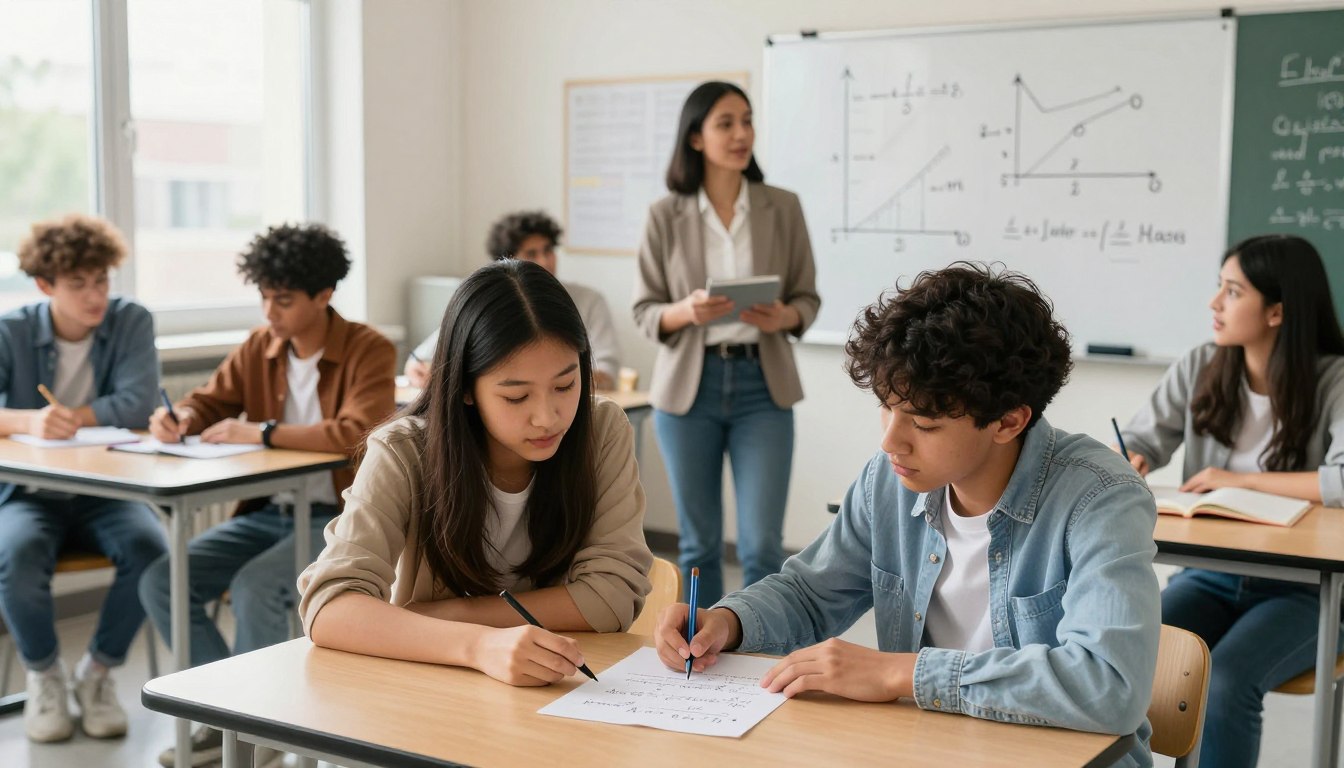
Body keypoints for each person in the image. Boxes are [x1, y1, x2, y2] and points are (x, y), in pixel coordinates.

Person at [656, 263, 1160, 768]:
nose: (890, 441)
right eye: (885, 407)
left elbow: (1108, 686)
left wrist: (902, 673)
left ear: (1008, 421)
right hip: (926, 749)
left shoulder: (1101, 496)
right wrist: (726, 621)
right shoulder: (889, 480)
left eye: (923, 423)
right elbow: (811, 593)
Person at [299, 259, 652, 686]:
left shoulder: (600, 430)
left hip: (561, 685)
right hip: (437, 687)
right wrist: (480, 645)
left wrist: (452, 613)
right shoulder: (403, 451)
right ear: (465, 388)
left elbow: (612, 599)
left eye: (565, 385)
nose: (548, 417)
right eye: (516, 396)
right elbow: (331, 607)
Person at [139, 223, 395, 767]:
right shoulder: (262, 345)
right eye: (263, 297)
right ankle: (223, 714)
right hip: (270, 514)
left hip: (339, 520)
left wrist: (262, 432)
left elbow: (359, 430)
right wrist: (179, 416)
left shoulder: (367, 348)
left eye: (282, 299)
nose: (269, 311)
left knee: (255, 585)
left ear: (324, 296)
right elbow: (210, 400)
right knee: (162, 580)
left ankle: (262, 726)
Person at [1119, 234, 1344, 768]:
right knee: (1126, 659)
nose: (1214, 304)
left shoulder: (1334, 377)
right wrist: (1128, 458)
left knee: (1224, 685)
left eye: (1232, 291)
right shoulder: (1202, 364)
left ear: (1276, 311)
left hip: (1308, 592)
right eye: (1218, 287)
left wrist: (1240, 481)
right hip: (1209, 575)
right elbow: (1141, 440)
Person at [632, 81, 819, 606]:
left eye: (747, 120)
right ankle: (701, 653)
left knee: (761, 545)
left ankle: (761, 654)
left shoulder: (782, 206)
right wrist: (685, 311)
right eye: (725, 123)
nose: (741, 134)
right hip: (690, 389)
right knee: (699, 545)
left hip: (764, 383)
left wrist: (785, 314)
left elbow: (808, 298)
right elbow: (645, 312)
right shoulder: (664, 215)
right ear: (695, 137)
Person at [0, 214, 166, 743]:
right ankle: (45, 676)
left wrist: (74, 416)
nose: (95, 296)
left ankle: (96, 673)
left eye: (102, 281)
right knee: (16, 553)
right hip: (29, 495)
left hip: (108, 492)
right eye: (79, 285)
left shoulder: (131, 320)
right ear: (45, 285)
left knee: (151, 549)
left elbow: (138, 403)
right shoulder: (12, 330)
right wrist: (30, 419)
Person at [405, 210, 622, 391]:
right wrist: (417, 369)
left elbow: (607, 371)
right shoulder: (489, 301)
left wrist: (560, 382)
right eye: (532, 253)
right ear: (509, 260)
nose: (545, 260)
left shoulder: (589, 300)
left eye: (548, 250)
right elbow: (419, 358)